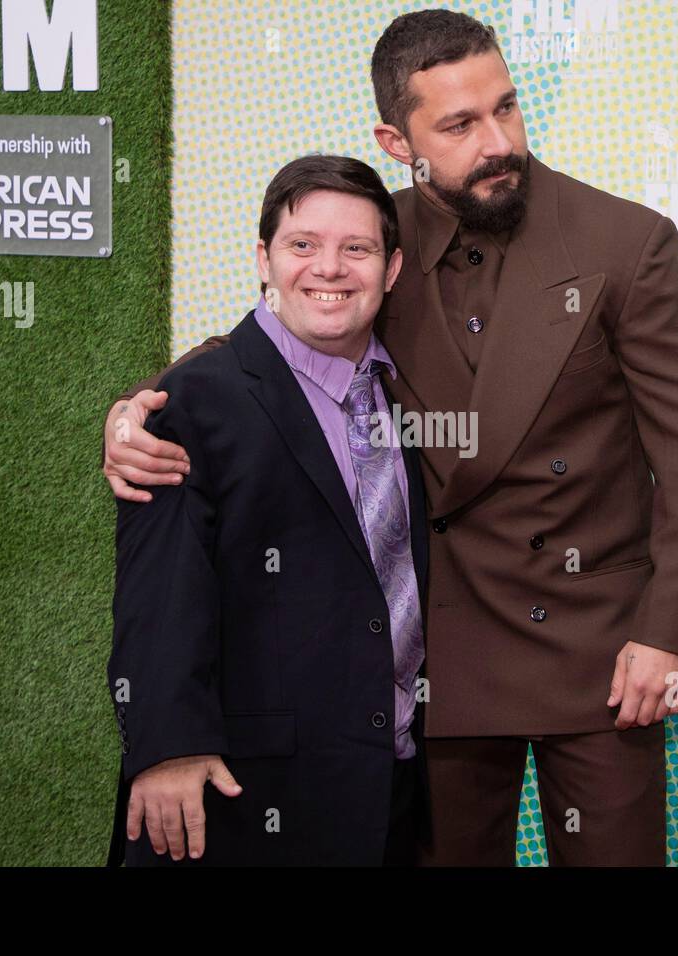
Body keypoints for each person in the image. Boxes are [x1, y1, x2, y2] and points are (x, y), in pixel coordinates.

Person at [104, 10, 678, 866]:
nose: (498, 141)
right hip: (438, 656)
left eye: (506, 108)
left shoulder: (625, 243)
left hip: (601, 649)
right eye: (460, 125)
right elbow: (272, 342)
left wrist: (669, 632)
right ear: (396, 140)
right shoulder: (371, 245)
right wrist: (144, 406)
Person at [106, 154, 428, 866]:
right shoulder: (193, 400)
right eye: (303, 245)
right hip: (241, 795)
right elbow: (159, 591)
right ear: (263, 258)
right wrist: (168, 748)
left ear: (393, 267)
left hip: (385, 789)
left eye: (358, 249)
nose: (330, 268)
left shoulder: (402, 398)